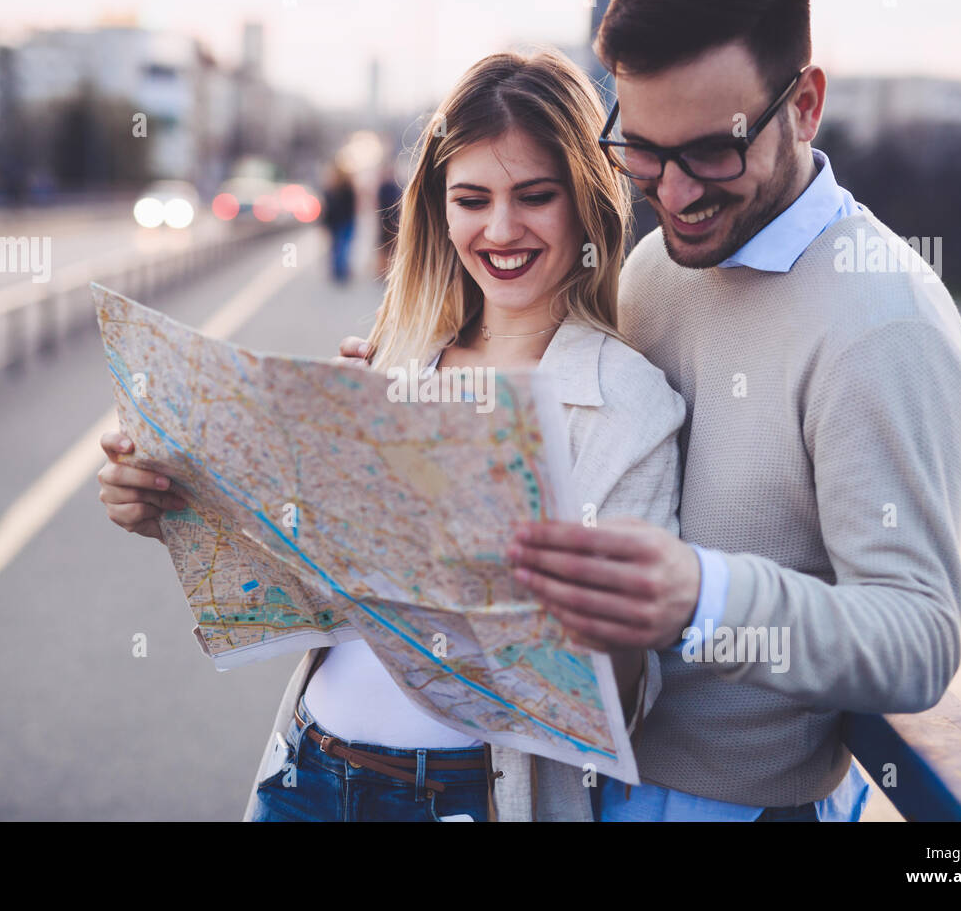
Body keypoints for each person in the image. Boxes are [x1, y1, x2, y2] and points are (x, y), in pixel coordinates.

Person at [342, 0, 961, 822]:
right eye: (642, 148)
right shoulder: (655, 266)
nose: (674, 193)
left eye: (714, 149)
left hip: (733, 806)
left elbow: (918, 640)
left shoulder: (885, 324)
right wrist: (400, 404)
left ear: (804, 103)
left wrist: (703, 597)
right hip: (564, 779)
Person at [97, 46, 687, 821]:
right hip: (308, 770)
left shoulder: (631, 407)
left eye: (535, 196)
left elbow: (631, 696)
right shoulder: (394, 356)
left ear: (584, 201)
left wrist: (565, 594)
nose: (500, 229)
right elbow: (313, 581)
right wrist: (175, 503)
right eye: (471, 199)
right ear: (438, 208)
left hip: (463, 796)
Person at [321, 165, 357, 284]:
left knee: (337, 247)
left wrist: (324, 224)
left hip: (336, 222)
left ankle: (338, 271)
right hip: (345, 221)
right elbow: (353, 206)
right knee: (343, 247)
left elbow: (326, 209)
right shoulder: (348, 188)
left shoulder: (330, 189)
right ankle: (341, 271)